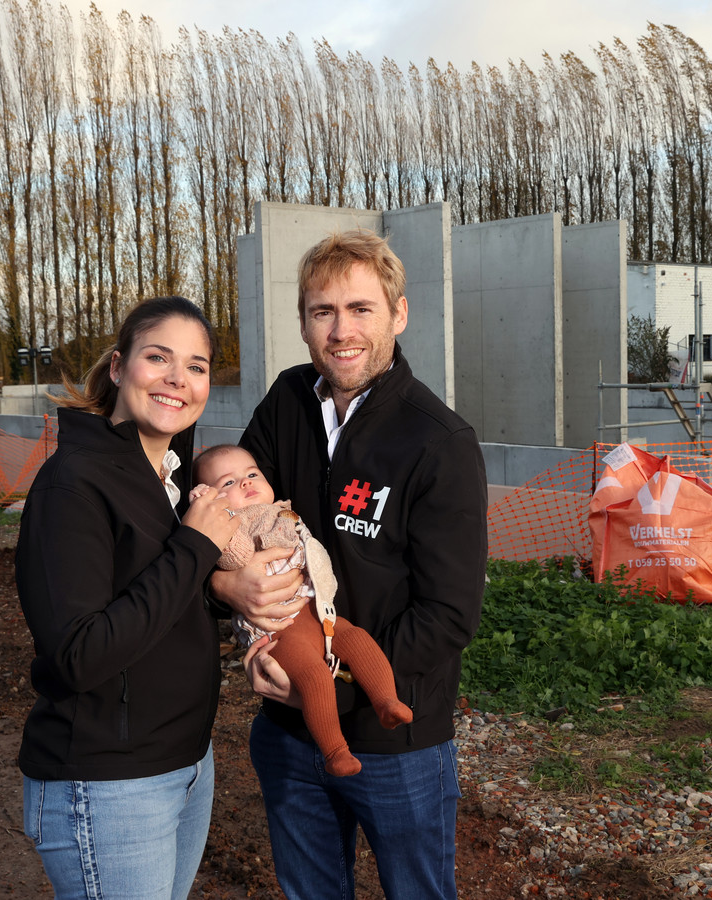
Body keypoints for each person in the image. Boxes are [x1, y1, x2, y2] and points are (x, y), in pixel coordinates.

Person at [211, 229, 489, 899]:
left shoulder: (439, 443)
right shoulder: (286, 403)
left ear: (398, 313)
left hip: (401, 743)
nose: (342, 331)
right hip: (288, 732)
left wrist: (332, 683)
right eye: (323, 312)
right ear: (304, 322)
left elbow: (449, 616)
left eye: (361, 309)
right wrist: (233, 592)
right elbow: (227, 524)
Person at [15, 296, 239, 900]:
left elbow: (163, 605)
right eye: (158, 357)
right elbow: (80, 653)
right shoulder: (72, 484)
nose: (178, 379)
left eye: (197, 366)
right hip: (107, 783)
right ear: (118, 367)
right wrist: (194, 548)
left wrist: (228, 590)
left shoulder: (170, 475)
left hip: (187, 764)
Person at [193, 444, 413, 777]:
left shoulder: (283, 512)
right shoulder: (230, 525)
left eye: (252, 474)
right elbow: (231, 559)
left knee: (356, 637)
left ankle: (387, 701)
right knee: (313, 675)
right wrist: (210, 512)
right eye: (228, 483)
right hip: (279, 631)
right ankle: (336, 751)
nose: (244, 483)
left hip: (316, 611)